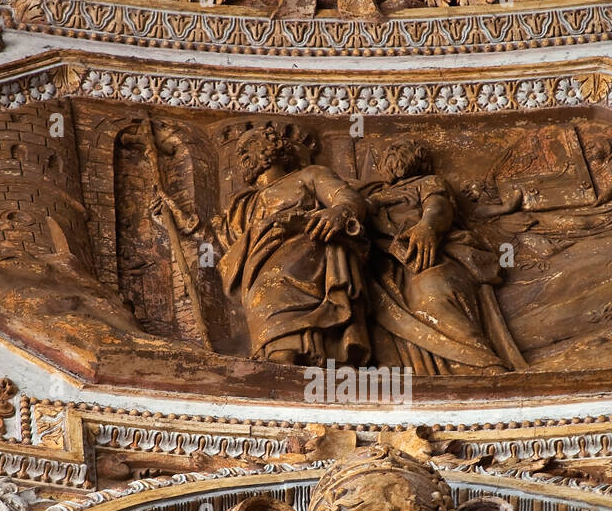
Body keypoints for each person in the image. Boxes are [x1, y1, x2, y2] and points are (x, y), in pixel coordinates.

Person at [361, 140, 527, 375]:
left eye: (401, 151)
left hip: (433, 254)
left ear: (418, 160)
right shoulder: (375, 196)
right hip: (390, 263)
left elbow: (438, 206)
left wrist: (427, 227)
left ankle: (484, 363)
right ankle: (416, 372)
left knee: (434, 296)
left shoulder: (428, 182)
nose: (393, 155)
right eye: (389, 153)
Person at [215, 124, 370, 366]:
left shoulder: (308, 176)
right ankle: (280, 363)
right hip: (259, 264)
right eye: (240, 152)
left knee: (272, 290)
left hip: (305, 250)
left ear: (274, 146)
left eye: (249, 145)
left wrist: (340, 212)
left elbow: (346, 198)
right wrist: (180, 221)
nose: (242, 155)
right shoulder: (243, 204)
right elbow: (225, 243)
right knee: (262, 294)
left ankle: (284, 364)